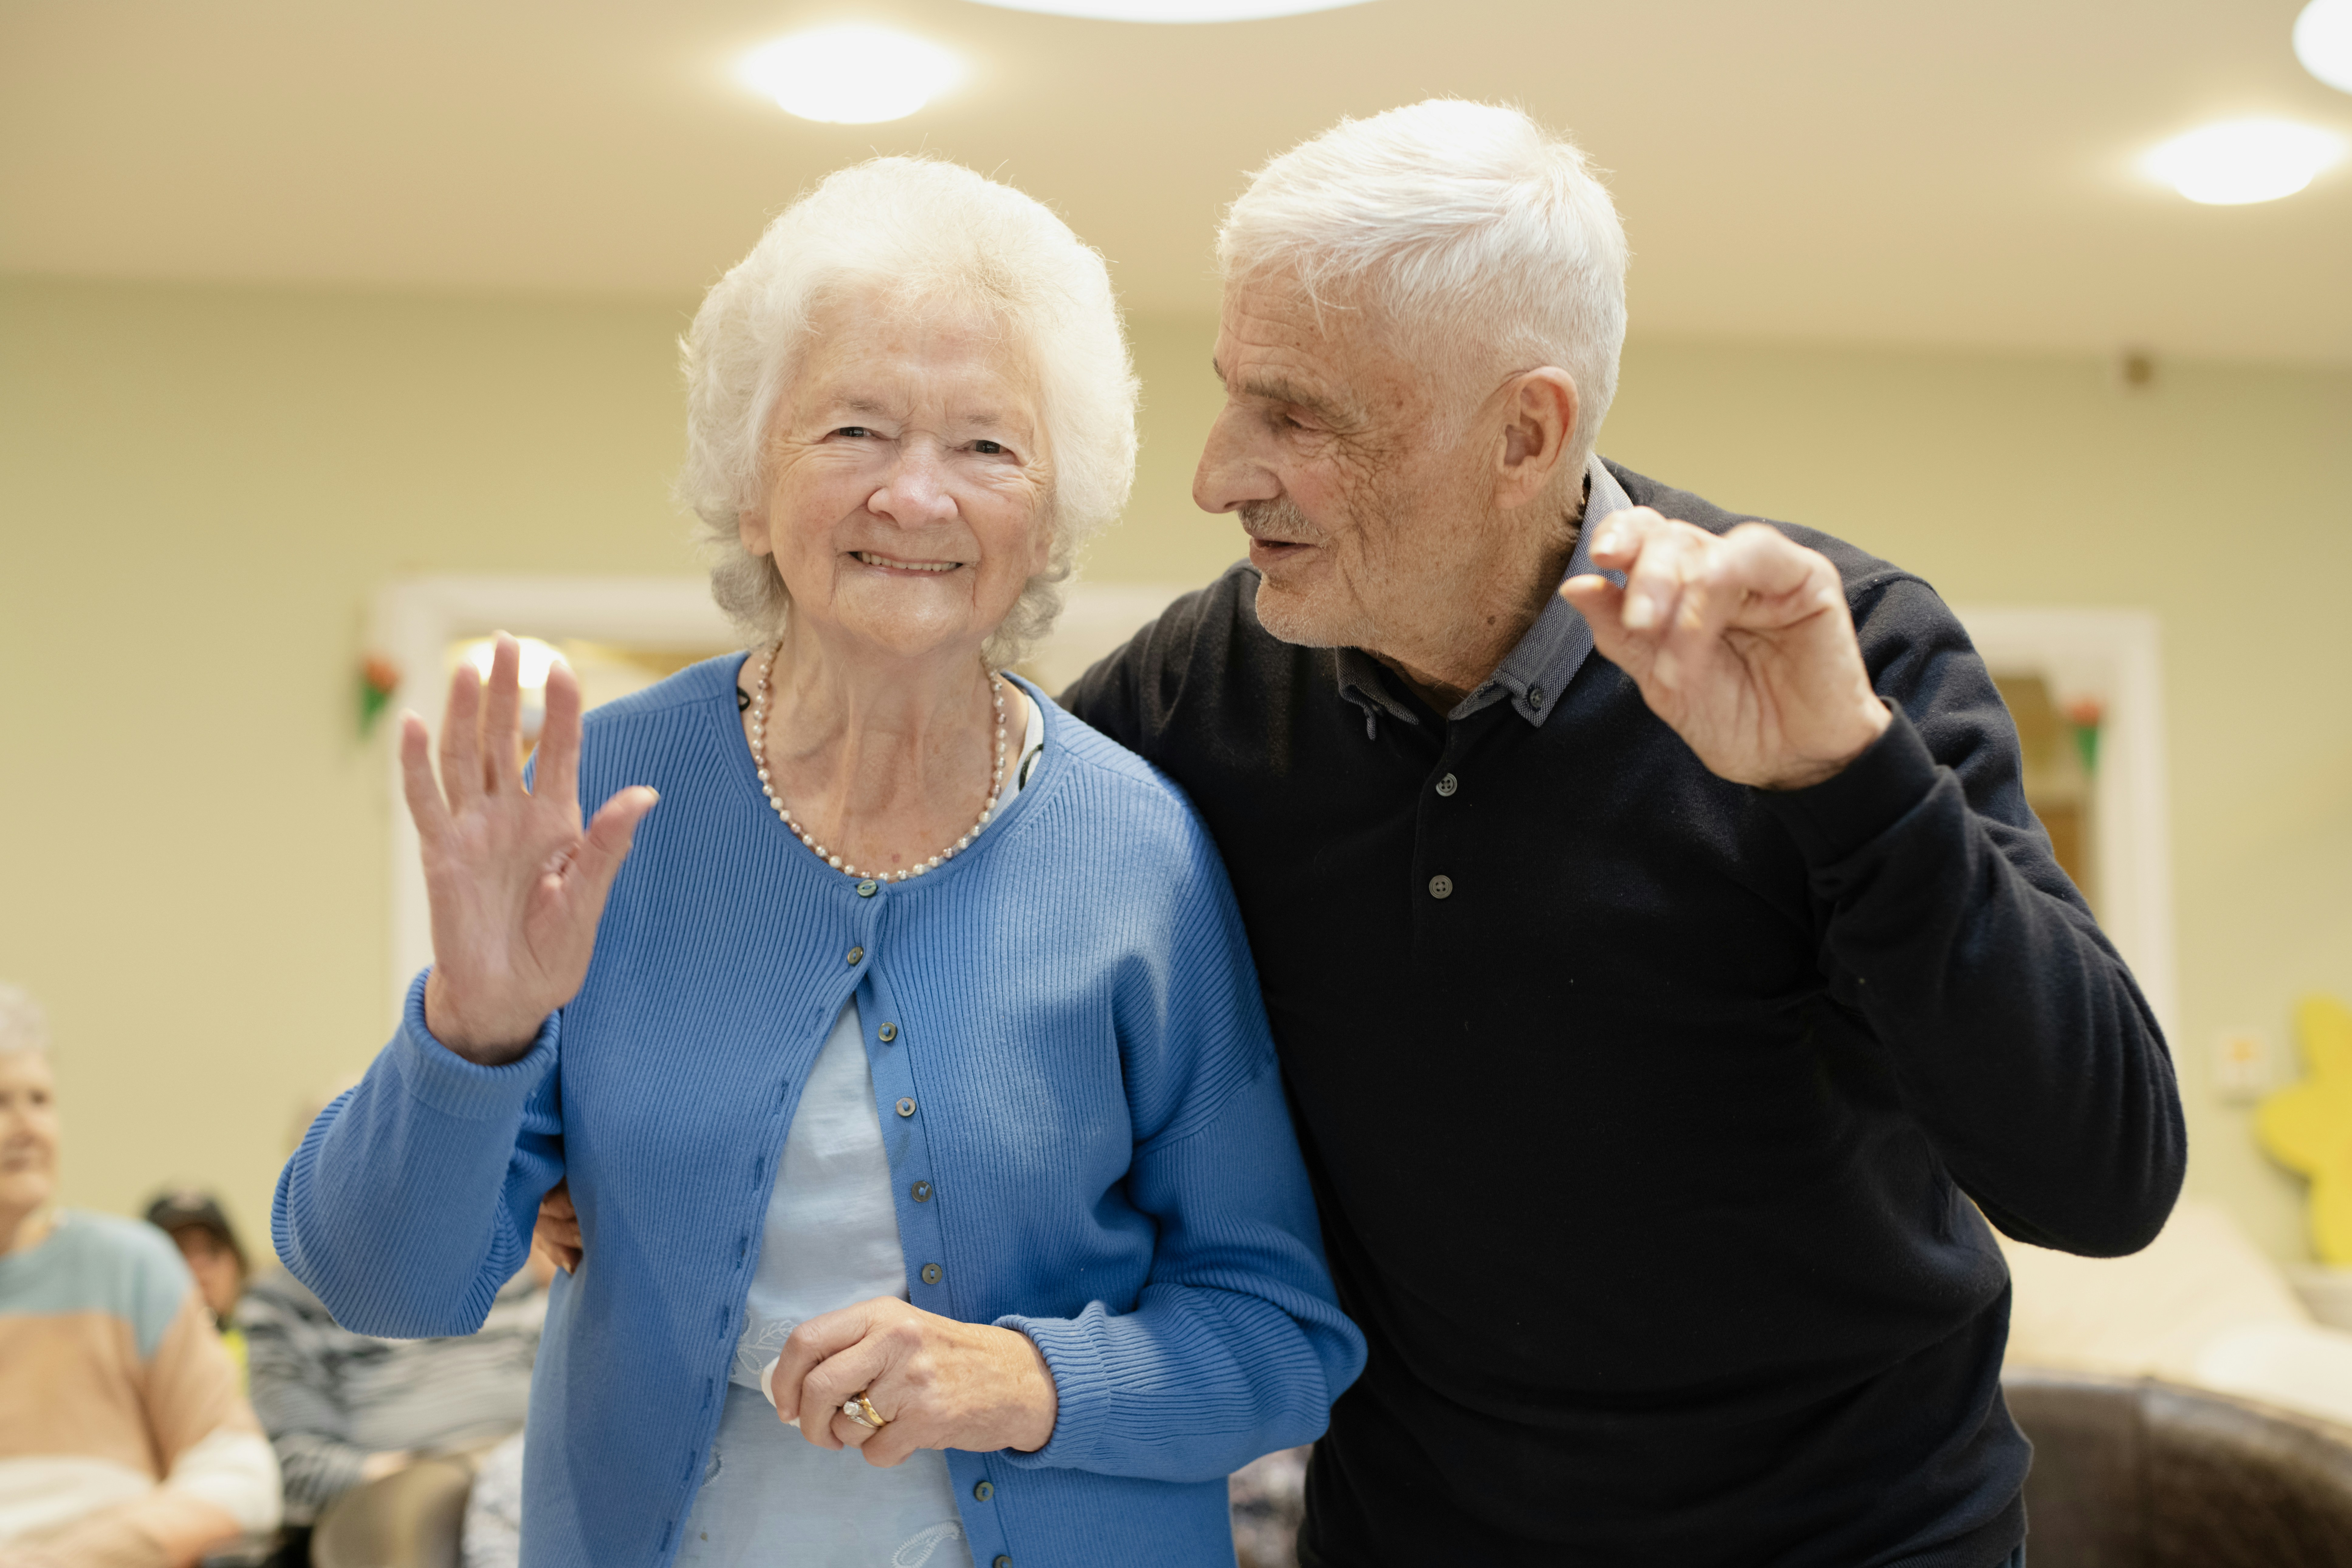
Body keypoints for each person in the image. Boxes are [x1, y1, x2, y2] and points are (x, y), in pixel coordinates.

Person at [1055, 101, 2186, 1566]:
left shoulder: (1846, 655)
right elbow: (968, 884)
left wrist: (1849, 778)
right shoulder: (1199, 686)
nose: (1218, 473)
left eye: (1300, 415)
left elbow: (2105, 1178)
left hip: (1858, 1538)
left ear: (1525, 432)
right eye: (1232, 395)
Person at [273, 156, 1364, 1568]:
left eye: (988, 446)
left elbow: (1278, 1336)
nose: (916, 497)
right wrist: (473, 1032)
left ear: (1052, 511)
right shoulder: (605, 795)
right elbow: (381, 1278)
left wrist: (1024, 1378)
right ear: (746, 480)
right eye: (855, 428)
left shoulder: (1139, 848)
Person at [0, 983, 281, 1567]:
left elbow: (242, 1474)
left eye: (39, 1100)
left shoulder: (132, 1268)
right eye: (0, 1103)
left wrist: (91, 1553)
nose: (25, 1126)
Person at [236, 1240, 554, 1562]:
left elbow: (562, 1395)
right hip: (394, 1502)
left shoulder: (501, 1260)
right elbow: (295, 1466)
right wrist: (423, 1472)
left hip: (526, 1467)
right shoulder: (287, 1302)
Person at [143, 1190, 251, 1381]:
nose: (200, 1266)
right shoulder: (130, 1362)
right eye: (178, 1251)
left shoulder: (272, 1347)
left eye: (213, 1251)